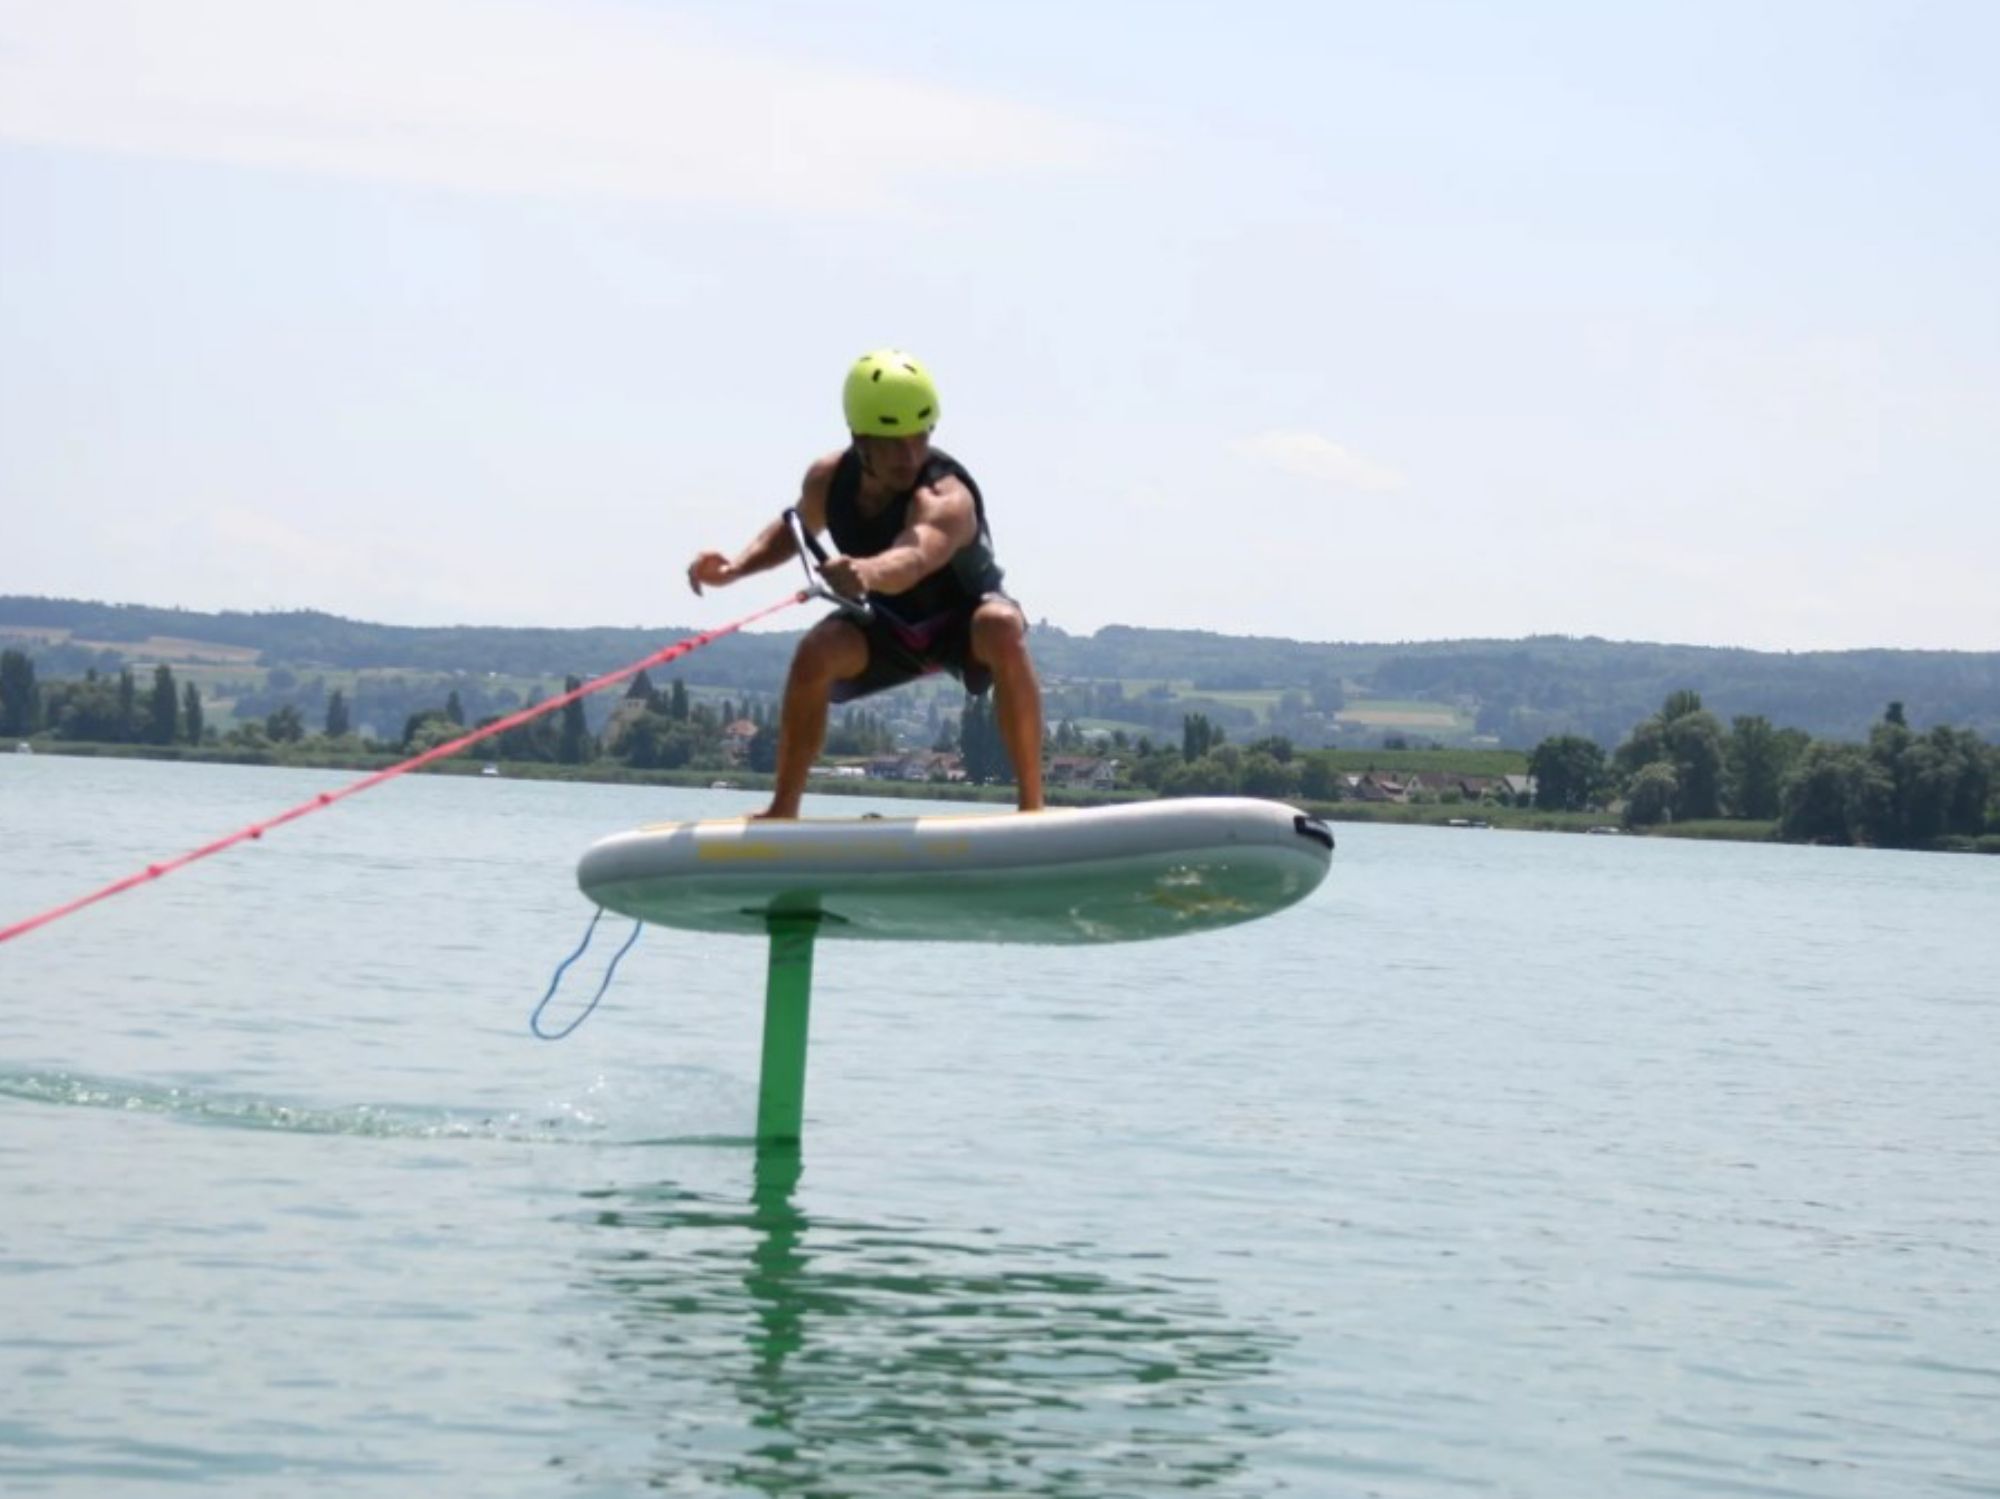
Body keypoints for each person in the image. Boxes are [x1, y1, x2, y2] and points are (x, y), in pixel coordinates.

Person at [686, 349, 1045, 819]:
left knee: (1001, 625)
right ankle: (782, 811)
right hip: (888, 626)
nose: (909, 455)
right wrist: (735, 568)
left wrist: (866, 573)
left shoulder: (945, 497)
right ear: (860, 439)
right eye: (894, 443)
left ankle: (1032, 808)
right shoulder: (827, 479)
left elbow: (914, 557)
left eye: (921, 437)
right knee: (816, 652)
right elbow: (796, 529)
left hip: (963, 624)